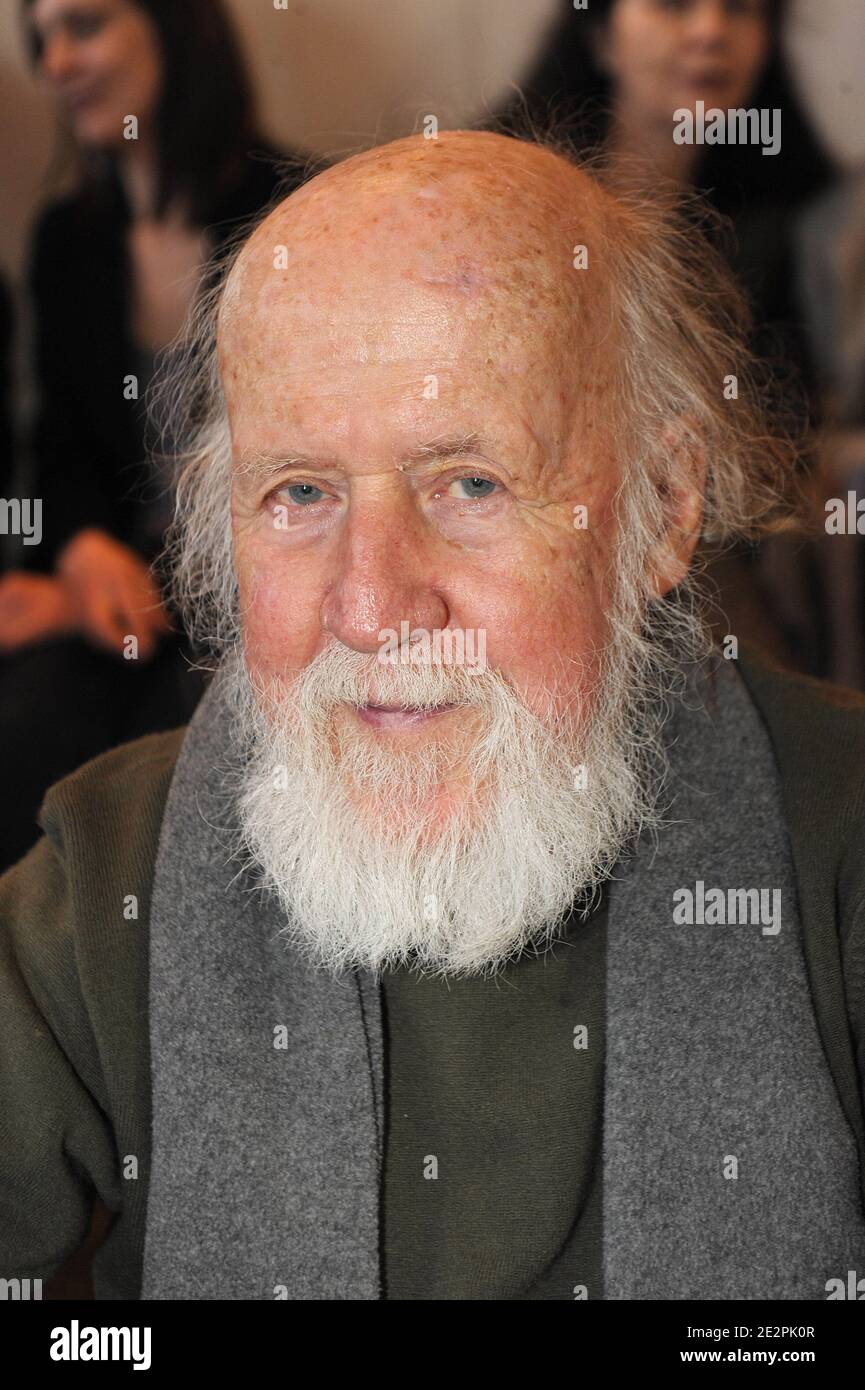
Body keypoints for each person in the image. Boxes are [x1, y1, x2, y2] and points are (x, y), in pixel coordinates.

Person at [1, 131, 864, 1301]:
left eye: (468, 483)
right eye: (298, 493)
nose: (369, 607)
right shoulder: (111, 877)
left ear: (661, 508)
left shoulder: (841, 838)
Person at [0, 0, 312, 870]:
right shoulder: (69, 240)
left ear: (179, 27)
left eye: (85, 25)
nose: (57, 62)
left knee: (192, 791)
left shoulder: (297, 213)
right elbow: (60, 452)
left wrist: (118, 592)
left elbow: (313, 474)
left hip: (257, 602)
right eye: (41, 40)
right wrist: (75, 553)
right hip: (117, 608)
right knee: (27, 743)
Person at [493, 0, 834, 676]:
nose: (710, 32)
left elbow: (782, 438)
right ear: (599, 38)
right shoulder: (500, 197)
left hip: (701, 533)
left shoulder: (786, 225)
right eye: (673, 5)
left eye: (740, 10)